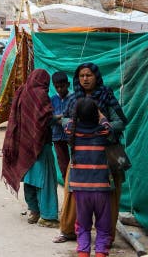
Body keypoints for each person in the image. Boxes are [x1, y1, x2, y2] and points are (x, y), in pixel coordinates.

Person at [55, 62, 128, 245]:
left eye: (89, 75)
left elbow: (120, 121)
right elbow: (64, 118)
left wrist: (102, 129)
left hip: (104, 155)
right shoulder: (73, 99)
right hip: (80, 154)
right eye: (81, 76)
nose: (85, 79)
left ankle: (106, 236)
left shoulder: (106, 96)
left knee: (109, 195)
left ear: (96, 77)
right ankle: (68, 230)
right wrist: (68, 124)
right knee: (72, 192)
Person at [2, 69, 59, 227]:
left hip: (23, 144)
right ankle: (47, 216)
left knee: (29, 179)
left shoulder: (22, 91)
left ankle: (34, 212)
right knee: (45, 180)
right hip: (40, 145)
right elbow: (44, 119)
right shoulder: (41, 94)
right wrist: (58, 118)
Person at [65, 97, 114, 257]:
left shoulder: (72, 132)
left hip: (80, 189)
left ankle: (83, 253)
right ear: (95, 114)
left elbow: (69, 124)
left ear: (77, 115)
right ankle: (100, 253)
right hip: (101, 187)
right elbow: (108, 125)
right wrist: (101, 114)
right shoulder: (102, 132)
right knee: (103, 226)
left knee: (83, 226)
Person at [51, 71, 72, 179]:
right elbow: (49, 118)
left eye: (62, 86)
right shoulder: (53, 99)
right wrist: (63, 118)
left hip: (72, 137)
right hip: (58, 136)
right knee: (63, 165)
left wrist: (58, 118)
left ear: (68, 85)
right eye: (57, 87)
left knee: (75, 164)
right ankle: (67, 190)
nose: (59, 89)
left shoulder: (74, 98)